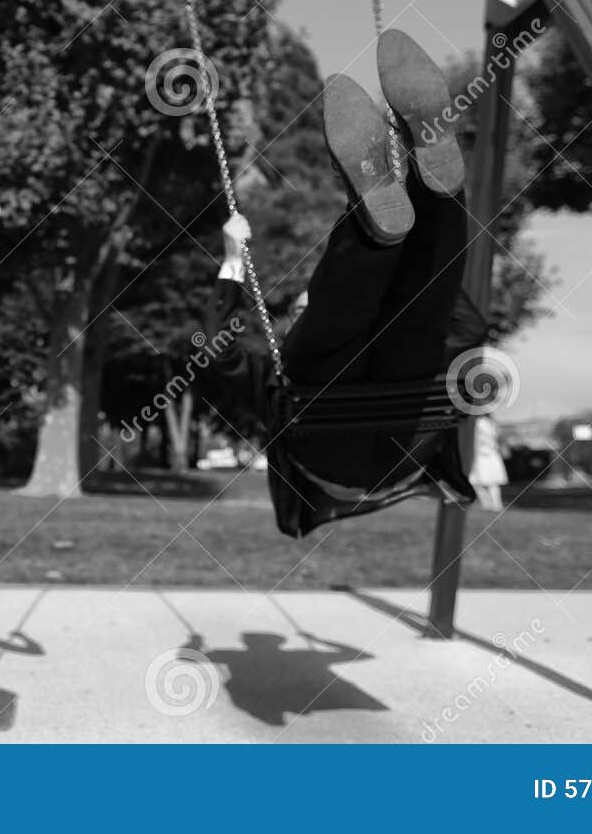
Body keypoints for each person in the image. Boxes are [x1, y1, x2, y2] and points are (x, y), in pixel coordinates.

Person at [197, 30, 488, 537]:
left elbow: (213, 356)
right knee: (414, 313)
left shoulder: (276, 365)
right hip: (404, 430)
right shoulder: (286, 358)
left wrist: (231, 264)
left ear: (291, 318)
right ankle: (414, 194)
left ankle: (424, 204)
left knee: (402, 311)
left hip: (350, 449)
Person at [469, 412, 508, 510]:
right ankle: (494, 504)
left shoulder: (480, 423)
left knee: (477, 481)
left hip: (483, 455)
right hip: (492, 455)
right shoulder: (492, 424)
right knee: (492, 482)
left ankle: (490, 504)